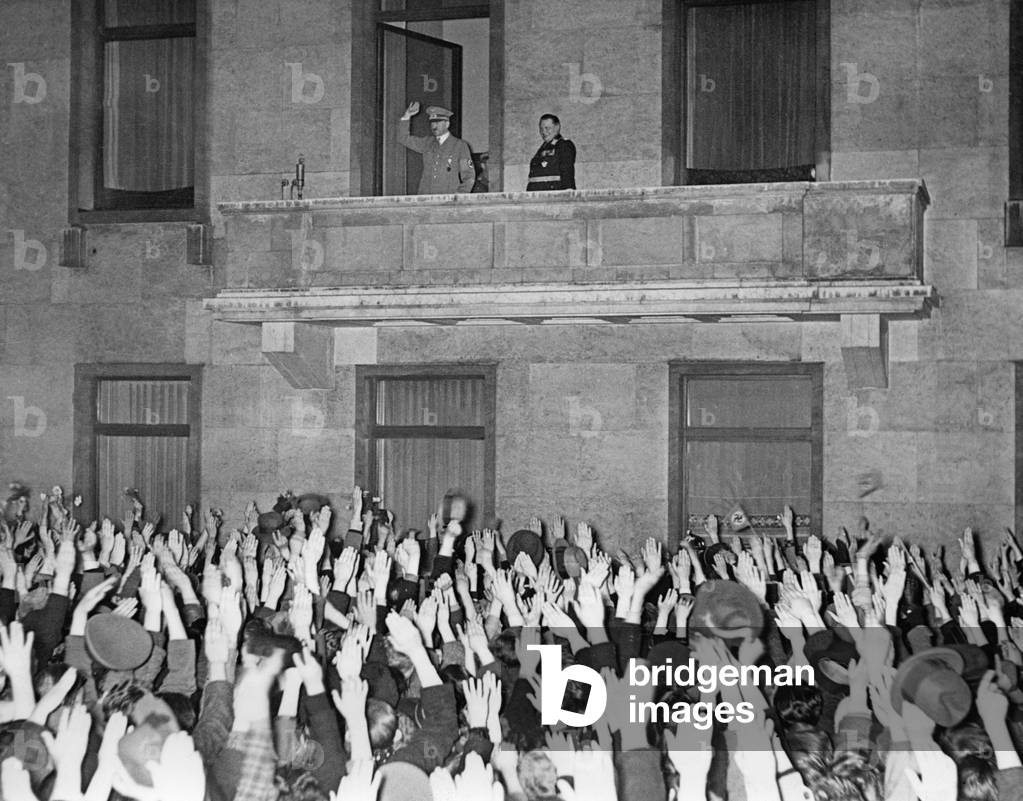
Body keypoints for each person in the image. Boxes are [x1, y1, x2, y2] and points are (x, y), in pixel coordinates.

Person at [397, 101, 475, 195]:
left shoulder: (459, 146)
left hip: (448, 200)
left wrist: (460, 195)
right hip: (426, 198)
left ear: (447, 124)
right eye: (432, 122)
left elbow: (468, 176)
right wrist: (407, 115)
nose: (434, 126)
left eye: (438, 122)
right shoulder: (427, 143)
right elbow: (403, 138)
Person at [526, 113, 576, 191]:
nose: (544, 132)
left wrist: (567, 195)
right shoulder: (543, 148)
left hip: (554, 197)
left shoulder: (564, 145)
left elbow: (567, 173)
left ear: (557, 127)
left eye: (547, 128)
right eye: (541, 129)